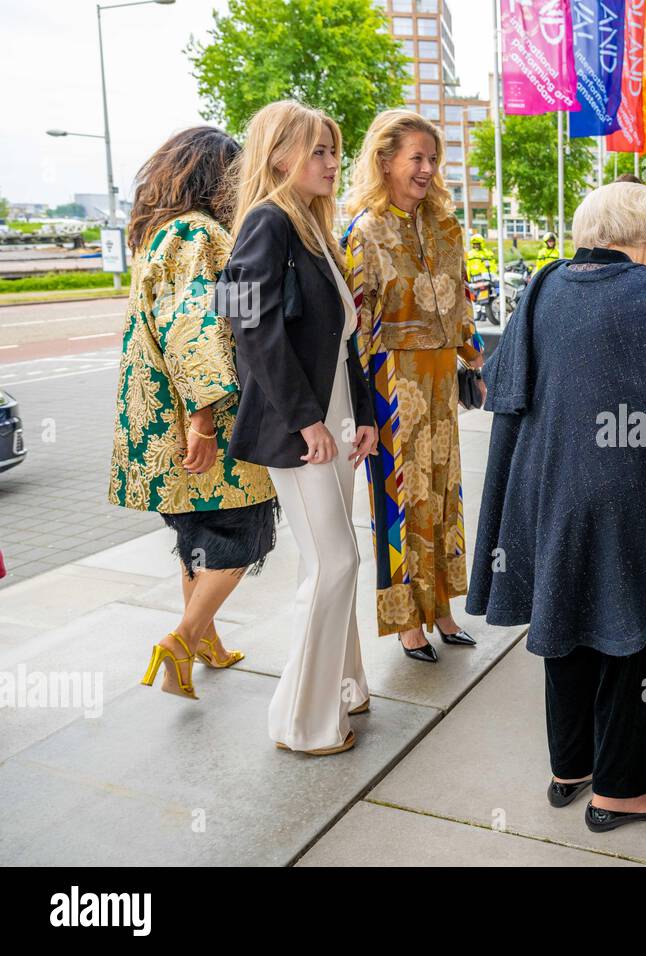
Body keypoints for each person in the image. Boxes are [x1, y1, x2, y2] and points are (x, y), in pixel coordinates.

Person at [468, 182, 646, 831]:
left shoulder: (545, 284)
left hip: (545, 484)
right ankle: (623, 791)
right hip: (620, 493)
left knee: (565, 616)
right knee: (629, 629)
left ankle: (571, 766)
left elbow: (510, 387)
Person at [219, 100, 378, 756]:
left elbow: (342, 340)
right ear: (278, 155)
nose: (332, 162)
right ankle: (300, 721)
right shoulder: (268, 222)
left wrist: (360, 415)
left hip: (333, 417)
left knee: (330, 560)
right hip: (303, 422)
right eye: (317, 150)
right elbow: (243, 321)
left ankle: (343, 688)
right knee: (337, 560)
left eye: (334, 150)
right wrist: (308, 419)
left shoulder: (313, 230)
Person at [118, 127, 278, 701]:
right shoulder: (199, 234)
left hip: (163, 415)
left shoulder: (162, 234)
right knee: (246, 531)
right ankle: (181, 639)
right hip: (199, 414)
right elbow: (195, 327)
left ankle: (203, 642)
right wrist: (204, 420)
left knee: (200, 535)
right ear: (219, 178)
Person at [342, 108, 486, 664]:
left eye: (433, 159)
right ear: (384, 161)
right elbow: (355, 324)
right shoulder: (364, 231)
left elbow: (464, 302)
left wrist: (479, 362)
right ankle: (407, 622)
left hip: (442, 382)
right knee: (401, 501)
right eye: (416, 158)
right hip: (390, 383)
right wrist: (361, 409)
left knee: (446, 491)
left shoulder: (447, 226)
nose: (426, 169)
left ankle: (445, 607)